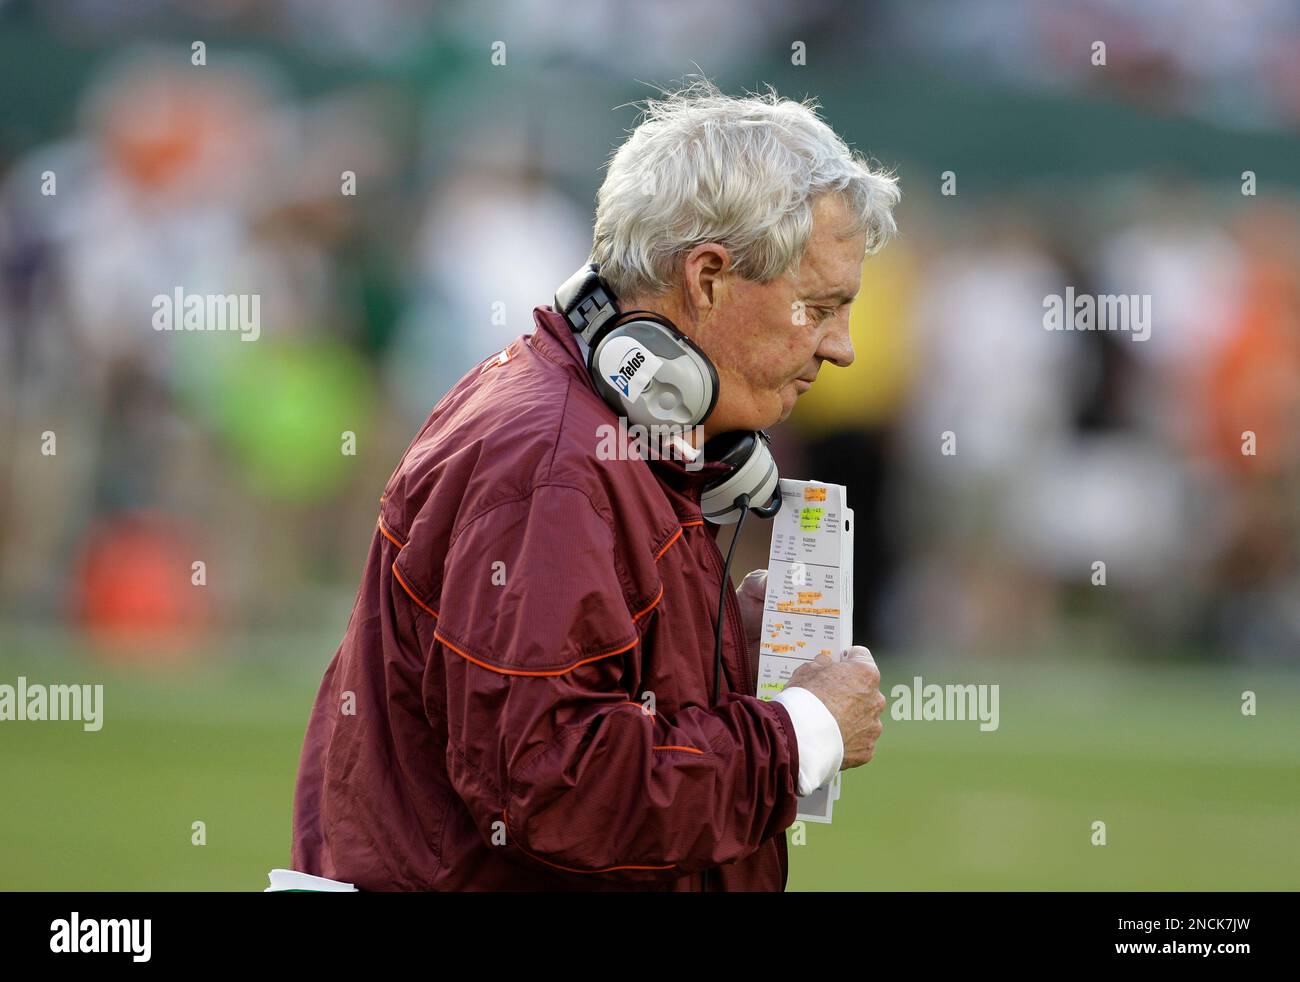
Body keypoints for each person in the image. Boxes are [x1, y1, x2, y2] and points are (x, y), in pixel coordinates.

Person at [290, 79, 898, 891]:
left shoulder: (596, 424)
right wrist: (801, 731)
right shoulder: (556, 462)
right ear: (709, 277)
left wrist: (716, 659)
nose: (841, 347)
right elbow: (547, 785)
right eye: (818, 307)